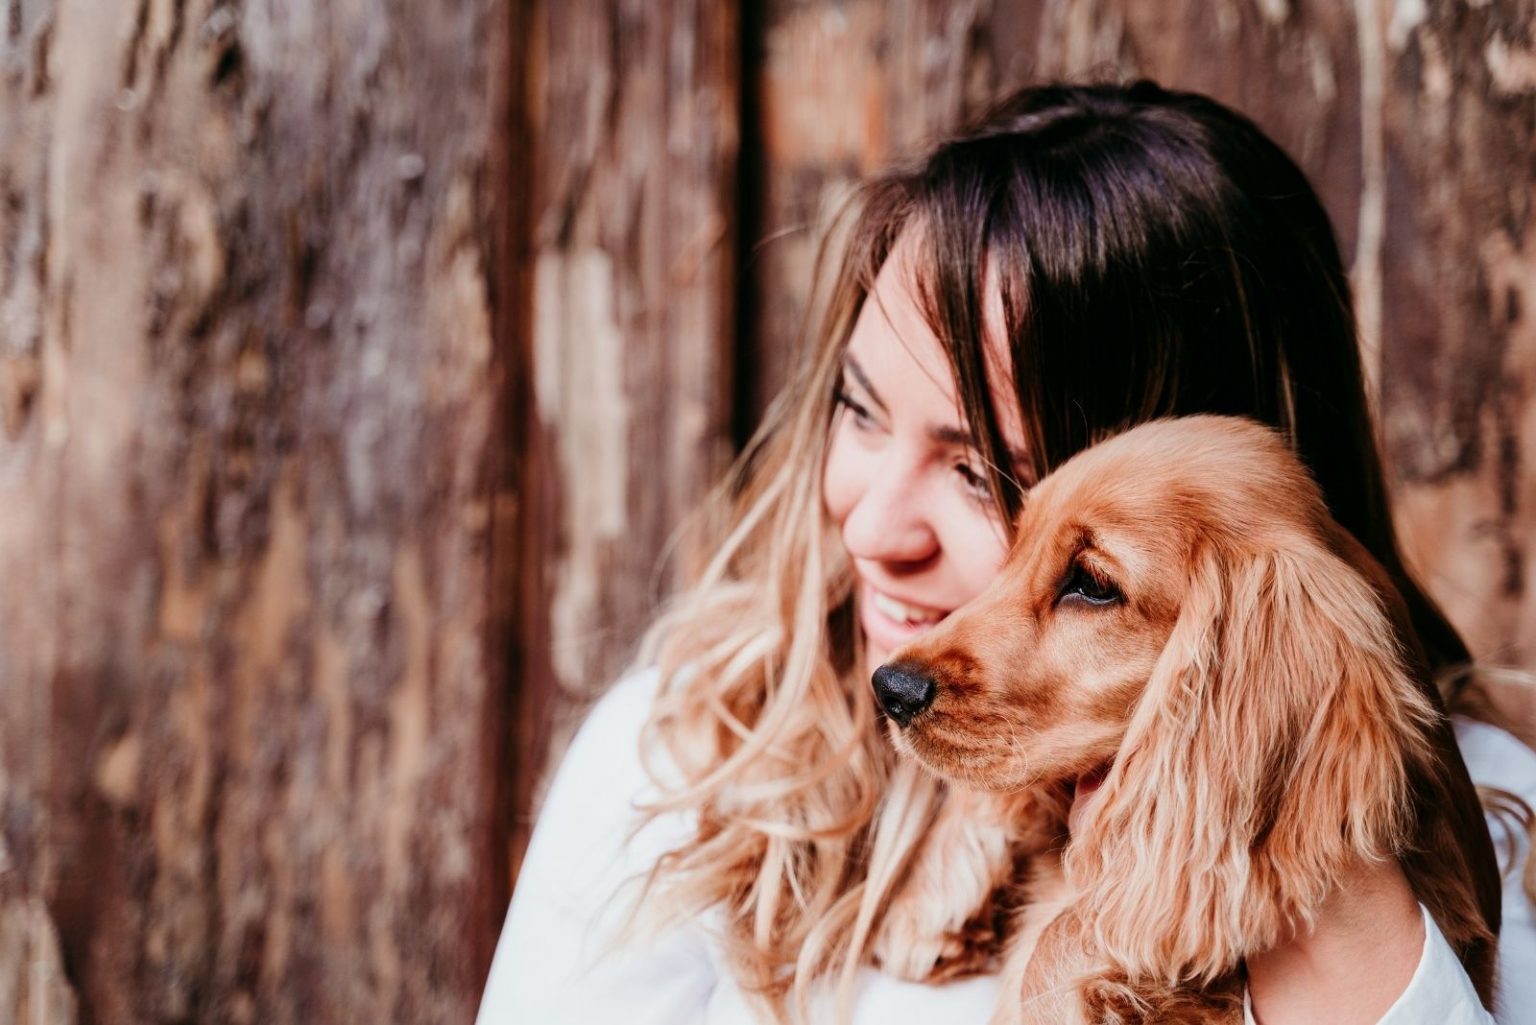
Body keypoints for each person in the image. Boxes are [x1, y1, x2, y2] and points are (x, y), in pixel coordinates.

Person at [478, 81, 1536, 1024]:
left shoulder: (1499, 823)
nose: (870, 526)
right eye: (859, 407)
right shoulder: (700, 749)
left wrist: (1300, 822)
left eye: (985, 474)